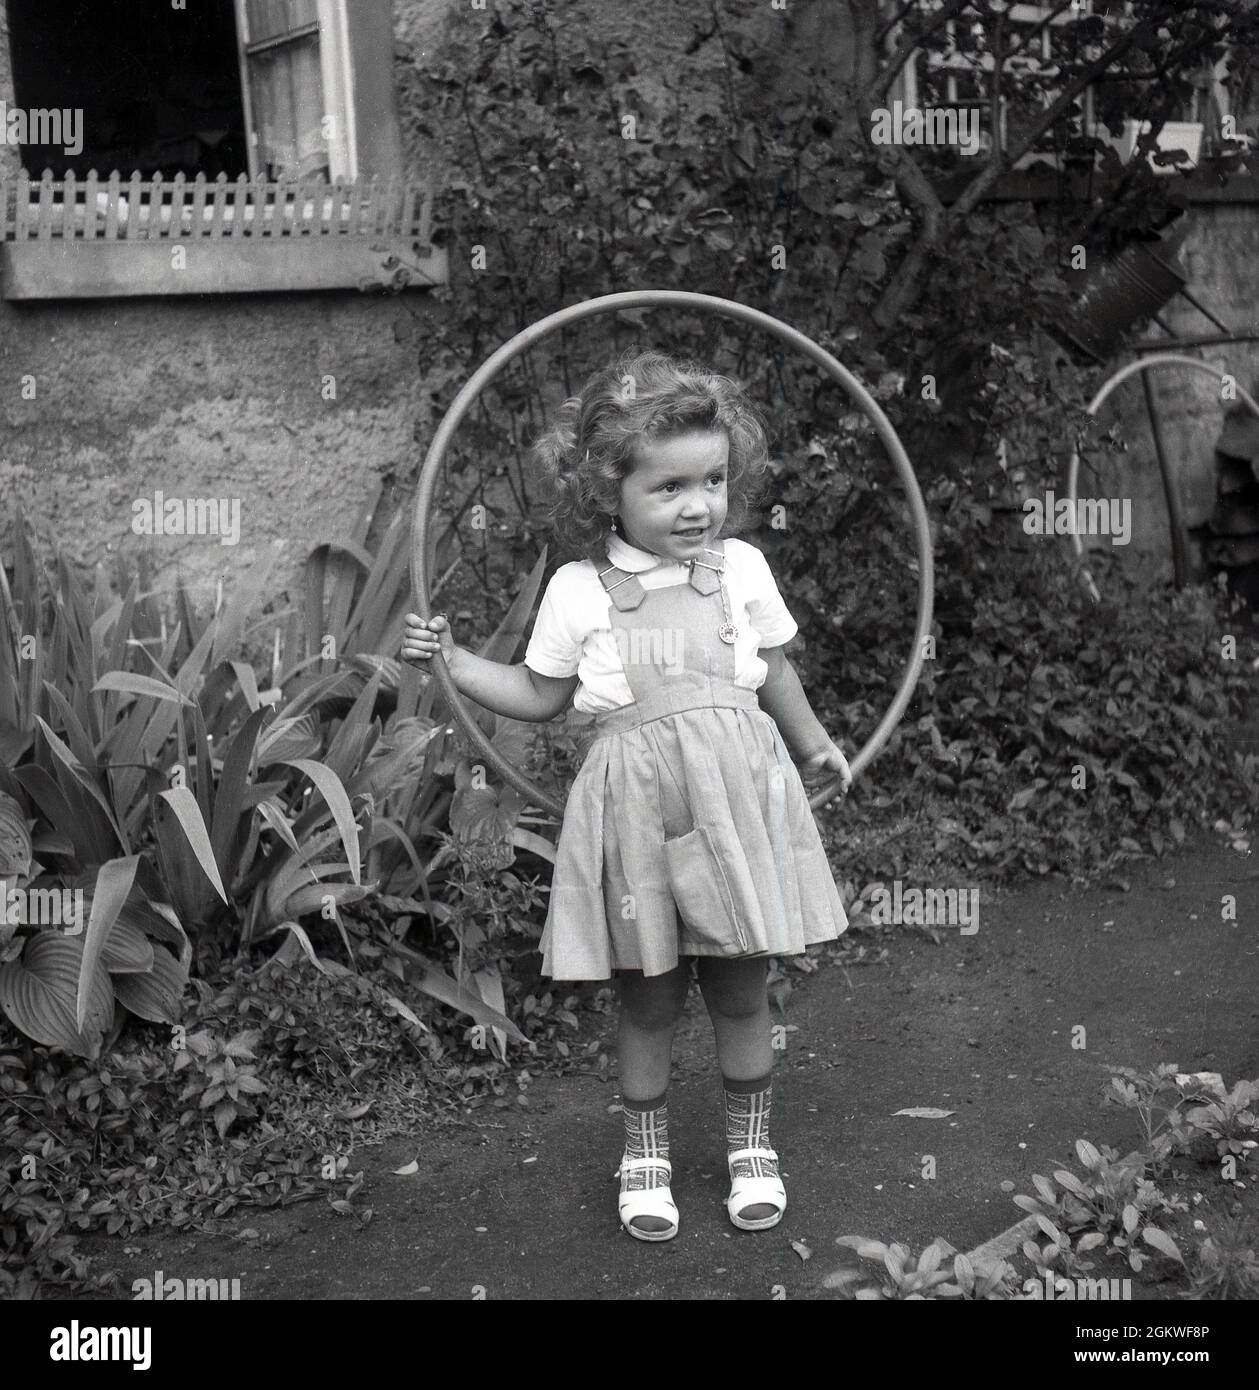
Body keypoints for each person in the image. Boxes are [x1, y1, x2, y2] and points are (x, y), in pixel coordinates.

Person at [402, 348, 851, 1242]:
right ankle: (643, 1153)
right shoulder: (579, 591)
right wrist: (450, 661)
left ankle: (749, 1149)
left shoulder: (740, 569)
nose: (698, 504)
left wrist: (814, 743)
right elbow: (539, 695)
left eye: (713, 480)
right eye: (670, 487)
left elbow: (772, 670)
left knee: (740, 982)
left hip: (735, 796)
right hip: (637, 808)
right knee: (647, 992)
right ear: (609, 490)